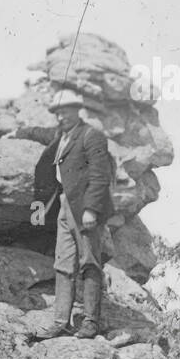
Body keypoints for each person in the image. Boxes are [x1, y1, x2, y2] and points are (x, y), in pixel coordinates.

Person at [31, 90, 115, 341]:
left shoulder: (92, 136)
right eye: (57, 113)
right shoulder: (62, 137)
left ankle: (90, 322)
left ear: (77, 110)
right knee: (63, 263)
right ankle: (61, 321)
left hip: (85, 208)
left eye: (65, 111)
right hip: (64, 206)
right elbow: (39, 134)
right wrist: (14, 133)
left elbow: (100, 176)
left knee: (89, 261)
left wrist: (91, 209)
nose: (60, 117)